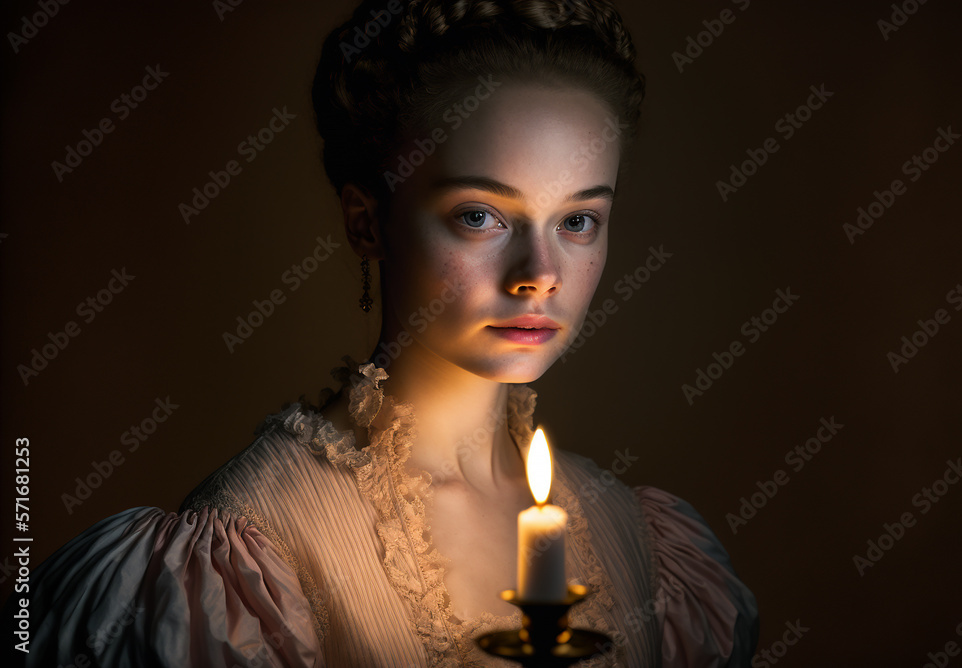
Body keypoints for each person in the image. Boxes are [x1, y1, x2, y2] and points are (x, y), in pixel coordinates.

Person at [12, 1, 758, 665]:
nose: (539, 273)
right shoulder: (248, 554)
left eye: (579, 220)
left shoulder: (632, 534)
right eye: (479, 216)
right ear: (367, 222)